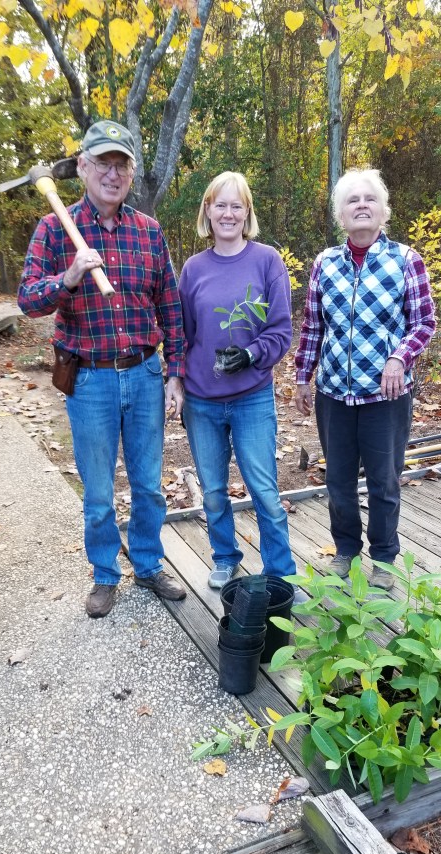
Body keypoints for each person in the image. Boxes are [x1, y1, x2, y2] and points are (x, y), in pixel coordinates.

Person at [17, 119, 186, 618]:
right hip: (89, 378)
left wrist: (174, 372)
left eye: (122, 165)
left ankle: (150, 563)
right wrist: (68, 277)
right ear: (83, 167)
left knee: (150, 484)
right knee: (97, 490)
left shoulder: (148, 232)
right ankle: (105, 574)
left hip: (143, 373)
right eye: (103, 164)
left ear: (131, 173)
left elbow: (170, 307)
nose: (113, 174)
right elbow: (28, 299)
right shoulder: (54, 228)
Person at [294, 168, 436, 590]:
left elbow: (424, 322)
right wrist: (304, 376)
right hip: (333, 393)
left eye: (368, 199)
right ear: (341, 214)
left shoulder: (406, 261)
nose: (361, 205)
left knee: (383, 480)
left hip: (385, 396)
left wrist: (398, 358)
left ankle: (385, 558)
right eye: (352, 200)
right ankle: (345, 550)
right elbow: (313, 326)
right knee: (337, 479)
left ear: (382, 210)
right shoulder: (325, 263)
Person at [179, 171, 296, 589]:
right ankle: (225, 557)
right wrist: (177, 380)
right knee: (212, 490)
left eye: (236, 205)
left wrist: (250, 354)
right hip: (202, 401)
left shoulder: (267, 261)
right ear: (207, 211)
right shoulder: (193, 269)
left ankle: (281, 573)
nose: (227, 213)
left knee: (264, 490)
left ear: (247, 212)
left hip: (251, 398)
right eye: (219, 204)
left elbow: (281, 331)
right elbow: (183, 335)